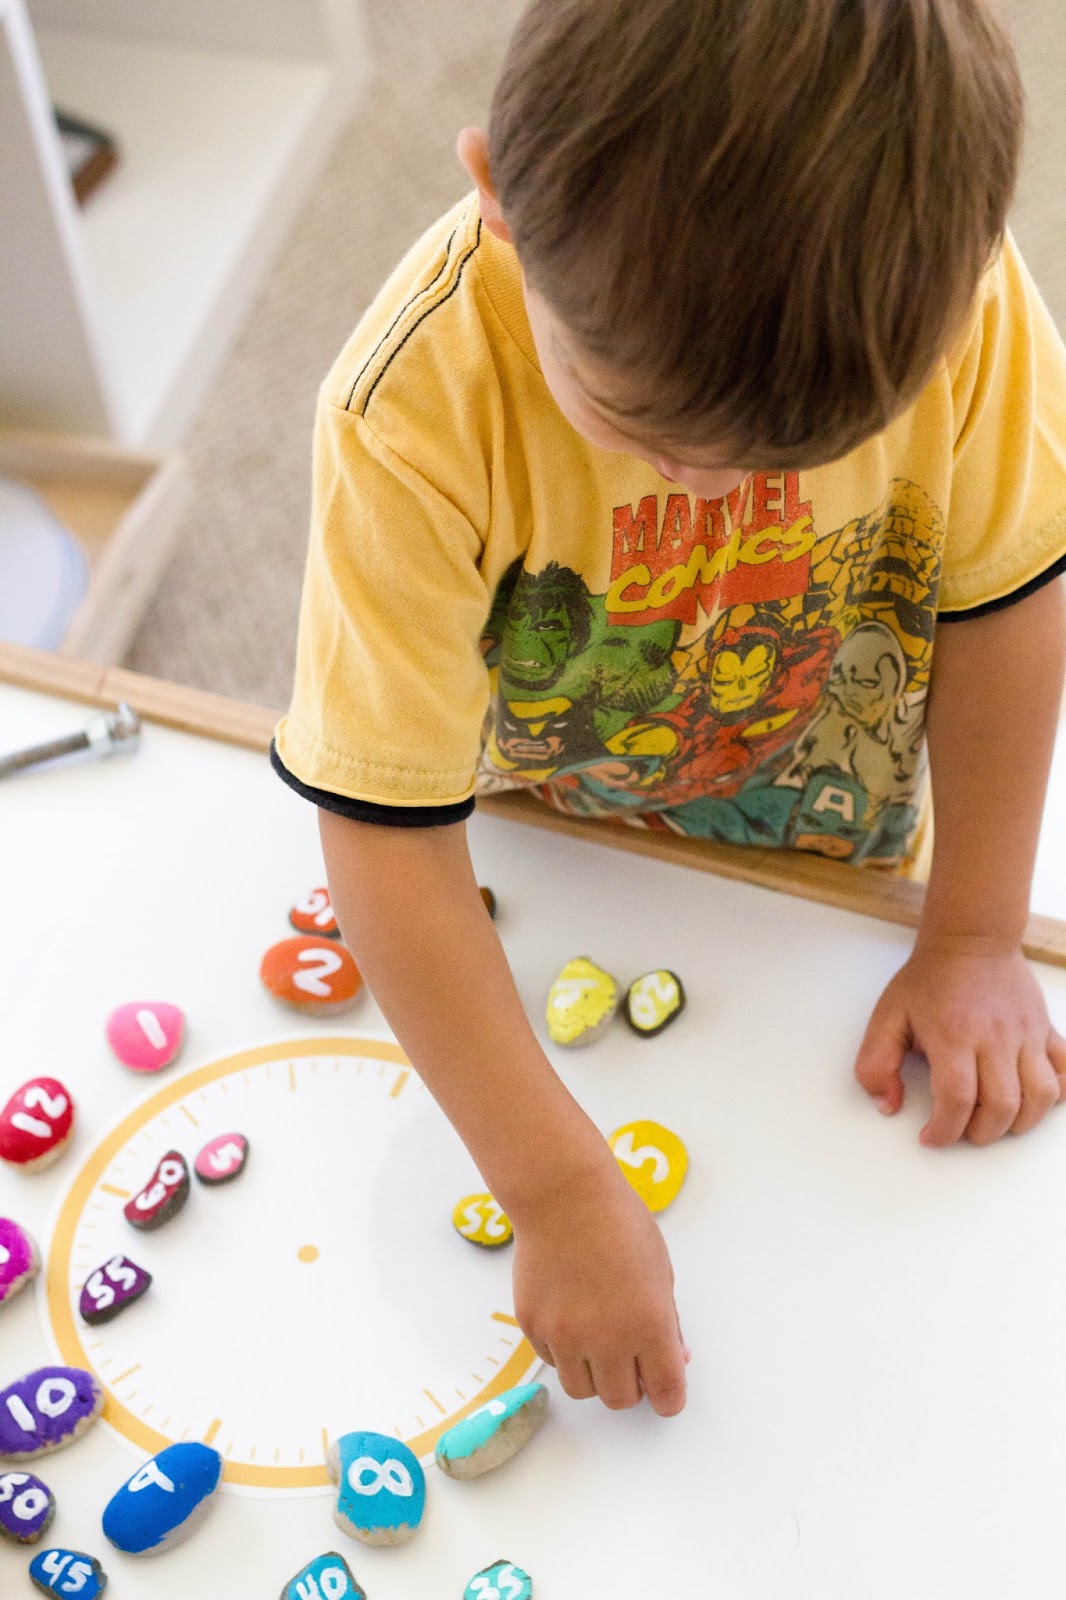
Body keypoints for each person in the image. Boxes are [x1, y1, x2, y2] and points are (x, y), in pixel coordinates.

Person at [272, 0, 1066, 1419]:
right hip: (543, 858)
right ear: (496, 201)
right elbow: (383, 831)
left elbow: (1004, 603)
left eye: (794, 456)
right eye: (641, 432)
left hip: (836, 875)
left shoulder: (961, 302)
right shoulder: (406, 414)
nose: (698, 495)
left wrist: (972, 934)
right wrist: (558, 1189)